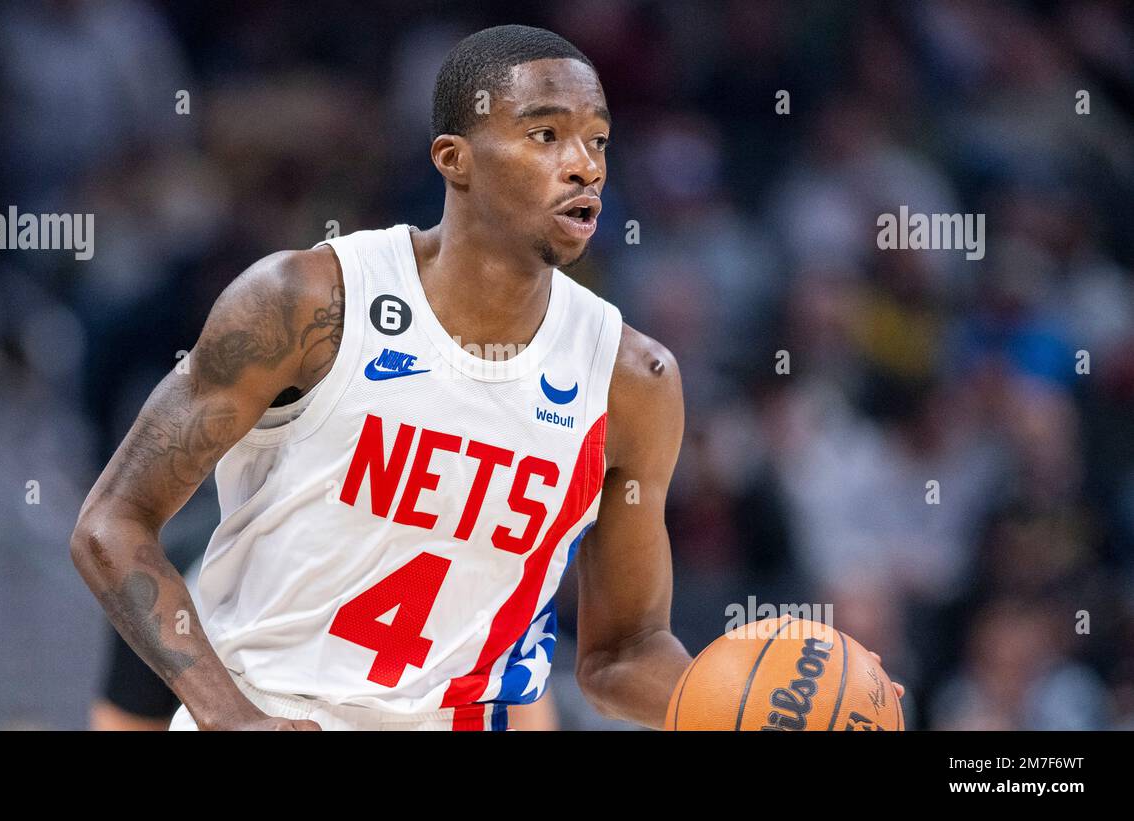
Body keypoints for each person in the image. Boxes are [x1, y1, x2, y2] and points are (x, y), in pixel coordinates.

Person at [72, 23, 896, 731]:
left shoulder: (633, 378)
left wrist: (746, 710)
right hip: (265, 705)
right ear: (453, 158)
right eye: (546, 135)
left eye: (599, 141)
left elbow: (621, 650)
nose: (585, 166)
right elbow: (112, 522)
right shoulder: (307, 301)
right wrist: (227, 713)